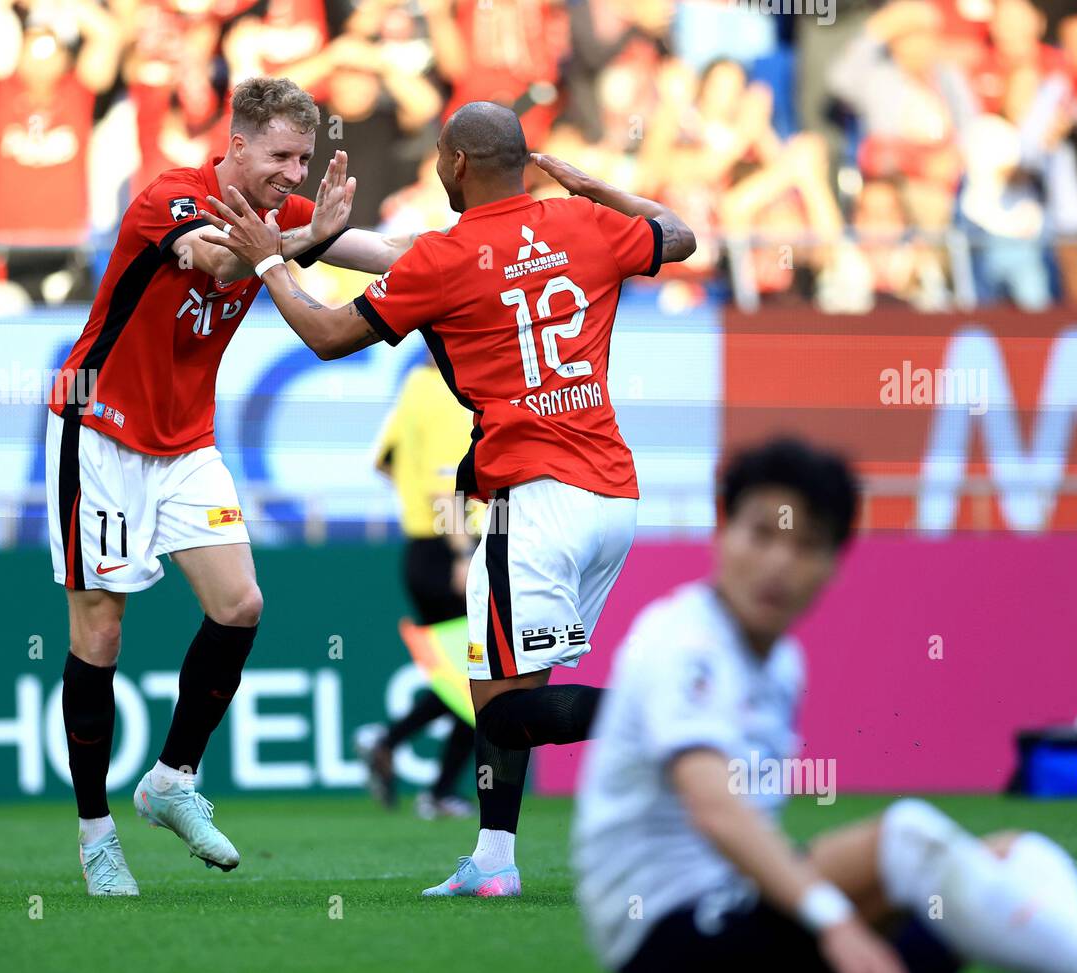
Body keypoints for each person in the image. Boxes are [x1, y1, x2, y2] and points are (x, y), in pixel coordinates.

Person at [202, 100, 696, 898]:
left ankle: (663, 711)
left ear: (458, 163)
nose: (436, 165)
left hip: (534, 500)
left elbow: (328, 336)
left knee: (497, 713)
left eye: (438, 154)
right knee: (509, 693)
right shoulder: (588, 225)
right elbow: (679, 233)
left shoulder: (445, 255)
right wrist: (592, 186)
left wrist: (268, 263)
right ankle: (494, 859)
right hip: (612, 495)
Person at [573, 437, 1077, 973]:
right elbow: (715, 810)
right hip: (677, 960)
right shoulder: (685, 642)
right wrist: (836, 922)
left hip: (759, 955)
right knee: (908, 838)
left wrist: (830, 914)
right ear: (722, 533)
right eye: (760, 535)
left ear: (834, 565)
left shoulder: (782, 662)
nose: (778, 564)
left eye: (806, 545)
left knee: (1012, 858)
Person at [49, 75, 433, 896]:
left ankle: (171, 780)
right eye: (283, 157)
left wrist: (482, 252)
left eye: (305, 158)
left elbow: (392, 255)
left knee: (241, 605)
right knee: (102, 635)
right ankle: (95, 835)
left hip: (185, 440)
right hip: (101, 429)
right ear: (239, 144)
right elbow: (219, 263)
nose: (295, 175)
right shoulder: (172, 200)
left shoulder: (287, 219)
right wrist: (307, 241)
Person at [358, 361, 481, 818]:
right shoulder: (447, 393)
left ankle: (394, 747)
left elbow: (385, 461)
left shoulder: (413, 387)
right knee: (479, 678)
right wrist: (463, 551)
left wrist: (416, 505)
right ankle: (435, 785)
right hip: (450, 552)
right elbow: (447, 490)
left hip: (421, 549)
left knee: (462, 678)